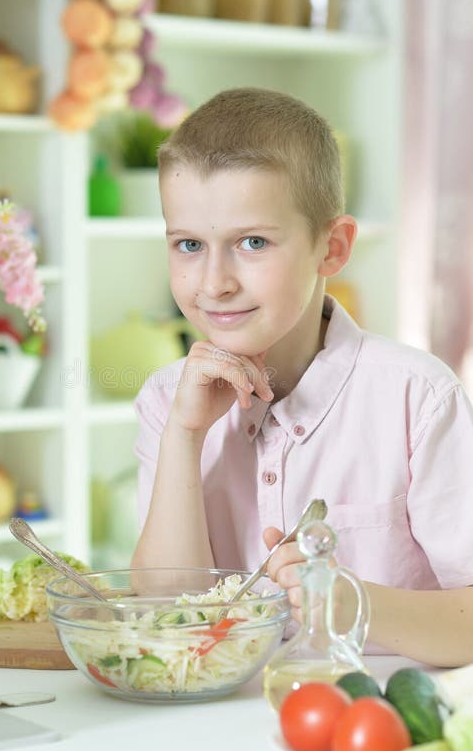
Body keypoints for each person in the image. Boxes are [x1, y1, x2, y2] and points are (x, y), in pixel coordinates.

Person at [131, 87, 473, 668]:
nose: (214, 283)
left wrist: (350, 602)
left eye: (252, 243)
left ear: (332, 248)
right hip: (214, 735)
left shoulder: (418, 398)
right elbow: (168, 613)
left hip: (370, 727)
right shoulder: (168, 400)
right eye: (189, 245)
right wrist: (183, 438)